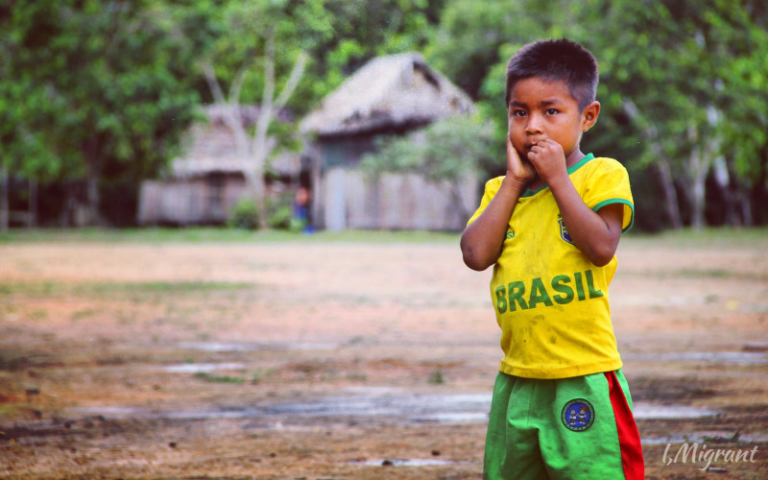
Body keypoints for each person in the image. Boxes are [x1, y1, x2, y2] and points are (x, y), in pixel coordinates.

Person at [460, 38, 644, 480]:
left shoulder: (601, 175)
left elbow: (601, 247)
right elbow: (475, 254)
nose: (532, 126)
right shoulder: (500, 191)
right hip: (518, 377)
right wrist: (511, 184)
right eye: (519, 113)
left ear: (588, 116)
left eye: (550, 111)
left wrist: (558, 179)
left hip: (584, 374)